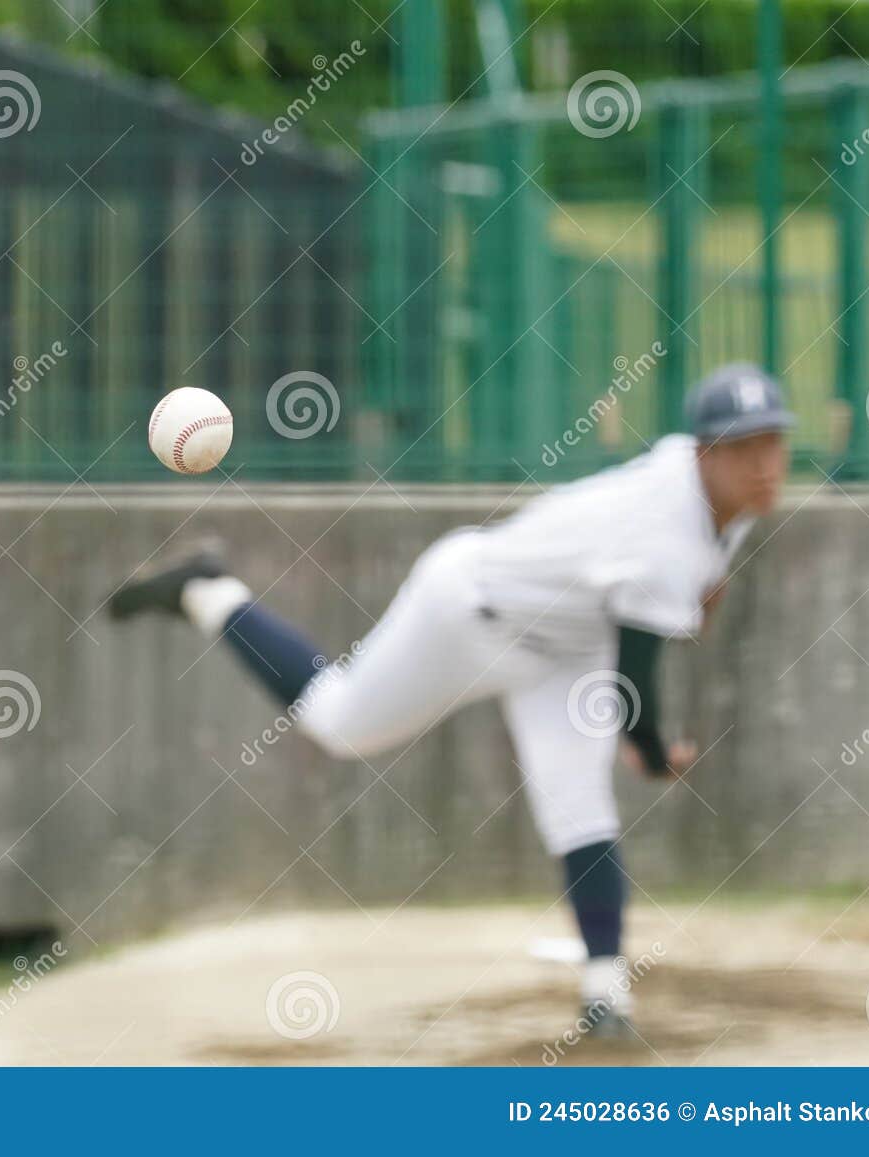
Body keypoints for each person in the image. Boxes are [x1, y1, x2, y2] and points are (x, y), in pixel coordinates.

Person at [107, 363, 793, 1039]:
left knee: (580, 807)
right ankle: (210, 592)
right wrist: (649, 750)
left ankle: (604, 996)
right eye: (740, 447)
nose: (762, 464)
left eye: (771, 441)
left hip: (566, 642)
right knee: (341, 722)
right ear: (704, 452)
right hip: (469, 611)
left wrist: (695, 592)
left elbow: (677, 582)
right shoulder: (664, 538)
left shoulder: (711, 490)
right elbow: (635, 682)